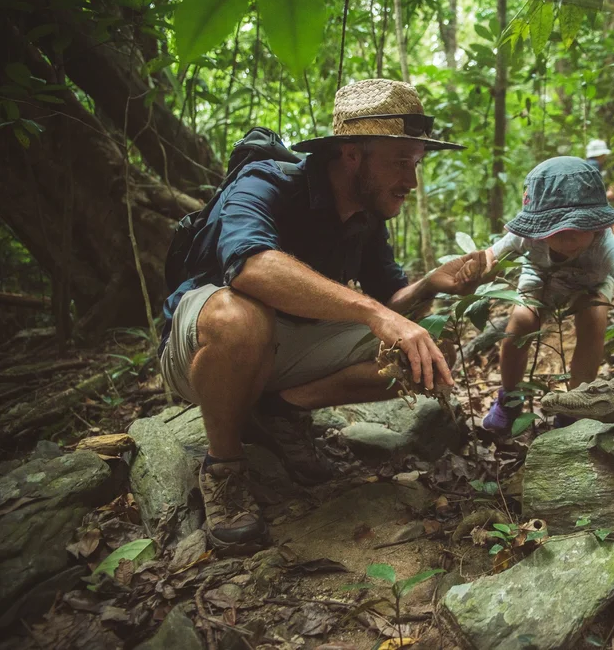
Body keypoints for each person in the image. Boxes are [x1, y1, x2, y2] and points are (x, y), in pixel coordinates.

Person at [158, 79, 488, 548]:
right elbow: (249, 267)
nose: (411, 182)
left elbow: (392, 301)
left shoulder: (366, 216)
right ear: (352, 154)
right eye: (400, 162)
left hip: (287, 350)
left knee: (427, 352)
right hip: (203, 346)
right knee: (240, 319)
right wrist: (373, 312)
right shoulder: (266, 182)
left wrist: (431, 284)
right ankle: (224, 469)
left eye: (415, 164)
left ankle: (281, 410)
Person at [479, 157, 614, 433]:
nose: (569, 240)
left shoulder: (603, 240)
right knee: (522, 320)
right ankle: (509, 399)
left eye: (579, 228)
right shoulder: (526, 236)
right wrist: (466, 276)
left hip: (591, 283)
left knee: (594, 319)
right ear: (538, 226)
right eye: (558, 230)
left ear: (595, 224)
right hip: (540, 278)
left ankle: (576, 407)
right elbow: (487, 259)